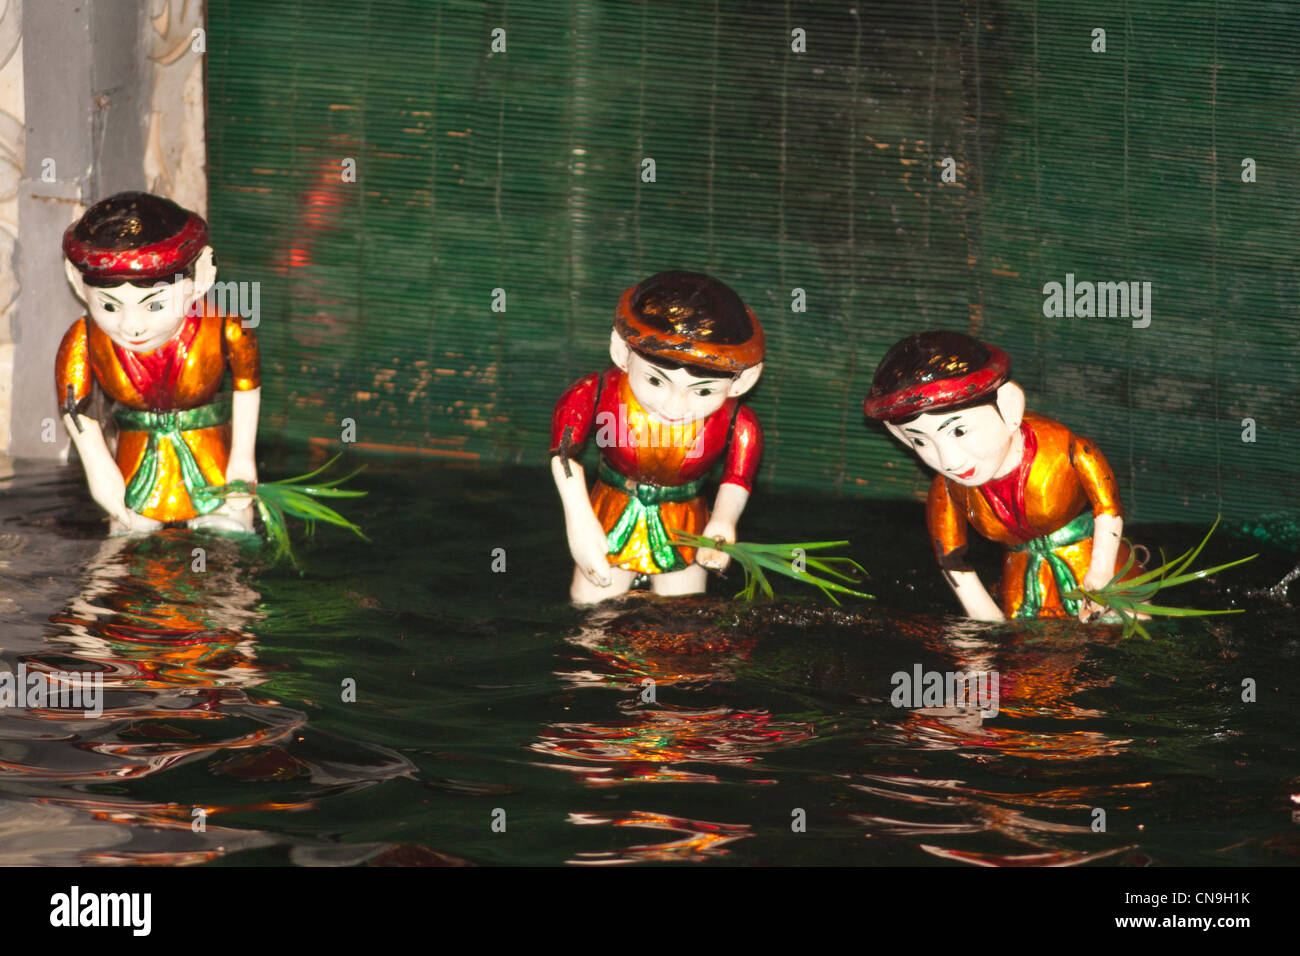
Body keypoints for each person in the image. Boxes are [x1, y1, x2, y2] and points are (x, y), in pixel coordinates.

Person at [864, 329, 1136, 622]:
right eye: (919, 441)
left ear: (1008, 408)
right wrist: (986, 624)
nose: (948, 460)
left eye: (959, 431)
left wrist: (1101, 570)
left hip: (1096, 565)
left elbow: (1107, 507)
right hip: (1023, 586)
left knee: (1121, 631)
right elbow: (952, 560)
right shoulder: (948, 490)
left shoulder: (1068, 451)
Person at [551, 271, 765, 603]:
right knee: (591, 604)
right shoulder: (594, 393)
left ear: (742, 381)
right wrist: (579, 522)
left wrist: (723, 523)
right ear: (623, 352)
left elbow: (737, 477)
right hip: (609, 513)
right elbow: (564, 456)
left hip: (685, 525)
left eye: (704, 391)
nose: (674, 405)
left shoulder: (738, 421)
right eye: (655, 381)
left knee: (680, 613)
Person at [56, 191, 260, 535]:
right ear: (77, 282)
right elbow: (75, 406)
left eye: (153, 306)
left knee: (230, 535)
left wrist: (242, 458)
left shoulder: (225, 326)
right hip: (134, 464)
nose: (131, 326)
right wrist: (97, 464)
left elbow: (246, 385)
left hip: (212, 457)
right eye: (109, 306)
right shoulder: (85, 338)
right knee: (127, 540)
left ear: (203, 276)